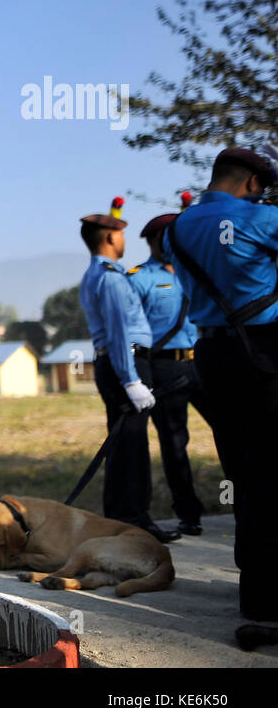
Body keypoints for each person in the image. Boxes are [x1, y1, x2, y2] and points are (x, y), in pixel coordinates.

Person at [164, 147, 278, 632]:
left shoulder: (175, 229)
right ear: (252, 182)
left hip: (212, 356)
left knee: (244, 474)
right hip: (266, 353)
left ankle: (257, 597)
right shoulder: (263, 219)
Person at [78, 200, 180, 544]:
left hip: (119, 363)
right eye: (120, 235)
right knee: (132, 447)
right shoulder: (110, 278)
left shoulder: (103, 274)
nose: (125, 242)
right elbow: (120, 331)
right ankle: (134, 521)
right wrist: (132, 379)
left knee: (125, 446)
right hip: (126, 363)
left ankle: (123, 519)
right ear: (109, 238)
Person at [127, 209, 206, 537]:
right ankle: (189, 514)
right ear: (159, 241)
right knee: (175, 443)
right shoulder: (139, 278)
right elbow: (131, 329)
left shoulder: (198, 270)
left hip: (201, 361)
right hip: (164, 367)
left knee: (235, 431)